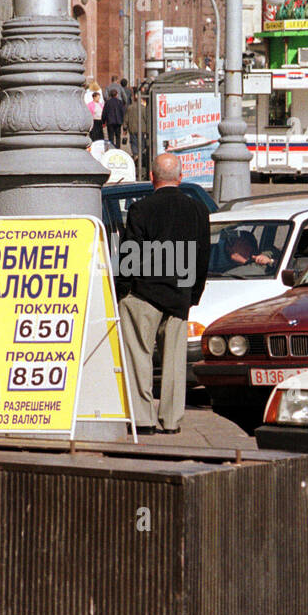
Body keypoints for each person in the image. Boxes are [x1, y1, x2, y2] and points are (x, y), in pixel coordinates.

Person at [115, 152, 210, 436]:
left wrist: (122, 290)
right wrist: (193, 294)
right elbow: (202, 256)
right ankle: (171, 420)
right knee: (174, 362)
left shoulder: (140, 209)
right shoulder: (197, 210)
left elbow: (129, 255)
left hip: (143, 294)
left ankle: (142, 420)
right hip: (180, 294)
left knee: (139, 357)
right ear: (180, 177)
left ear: (152, 177)